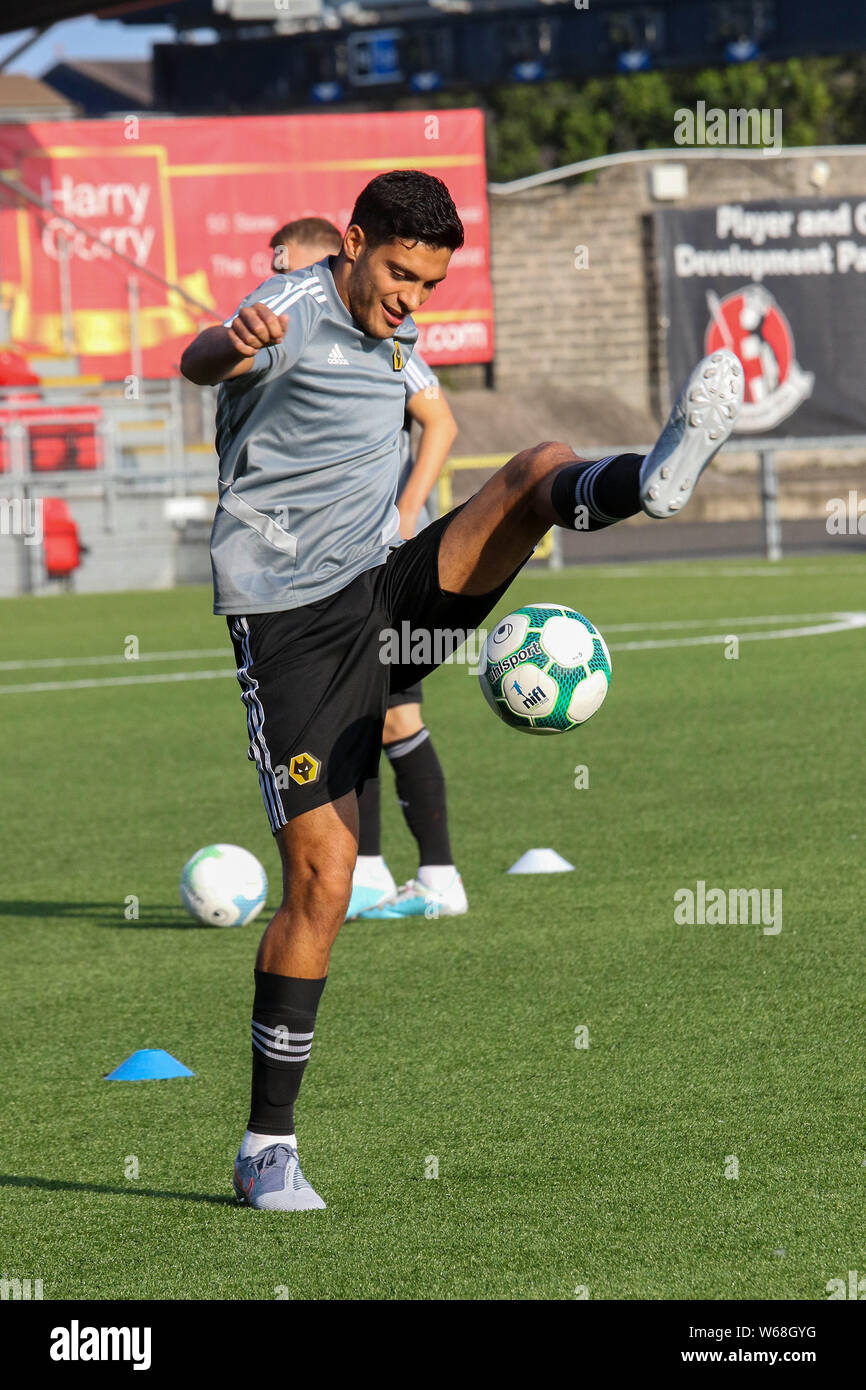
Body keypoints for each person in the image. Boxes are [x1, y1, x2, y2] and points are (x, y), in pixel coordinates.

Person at [180, 169, 743, 1212]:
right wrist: (234, 341)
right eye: (398, 273)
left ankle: (648, 483)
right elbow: (199, 358)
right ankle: (266, 1147)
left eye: (428, 284)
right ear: (351, 243)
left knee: (533, 470)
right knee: (325, 880)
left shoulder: (394, 332)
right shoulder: (293, 311)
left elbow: (420, 415)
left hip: (380, 590)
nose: (409, 298)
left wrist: (401, 504)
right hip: (289, 629)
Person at [268, 218, 467, 921]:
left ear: (328, 254)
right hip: (325, 573)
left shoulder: (378, 341)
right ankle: (375, 873)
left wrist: (409, 510)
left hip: (377, 570)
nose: (273, 273)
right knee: (361, 722)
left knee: (396, 714)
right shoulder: (301, 333)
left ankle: (440, 876)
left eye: (283, 261)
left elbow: (439, 421)